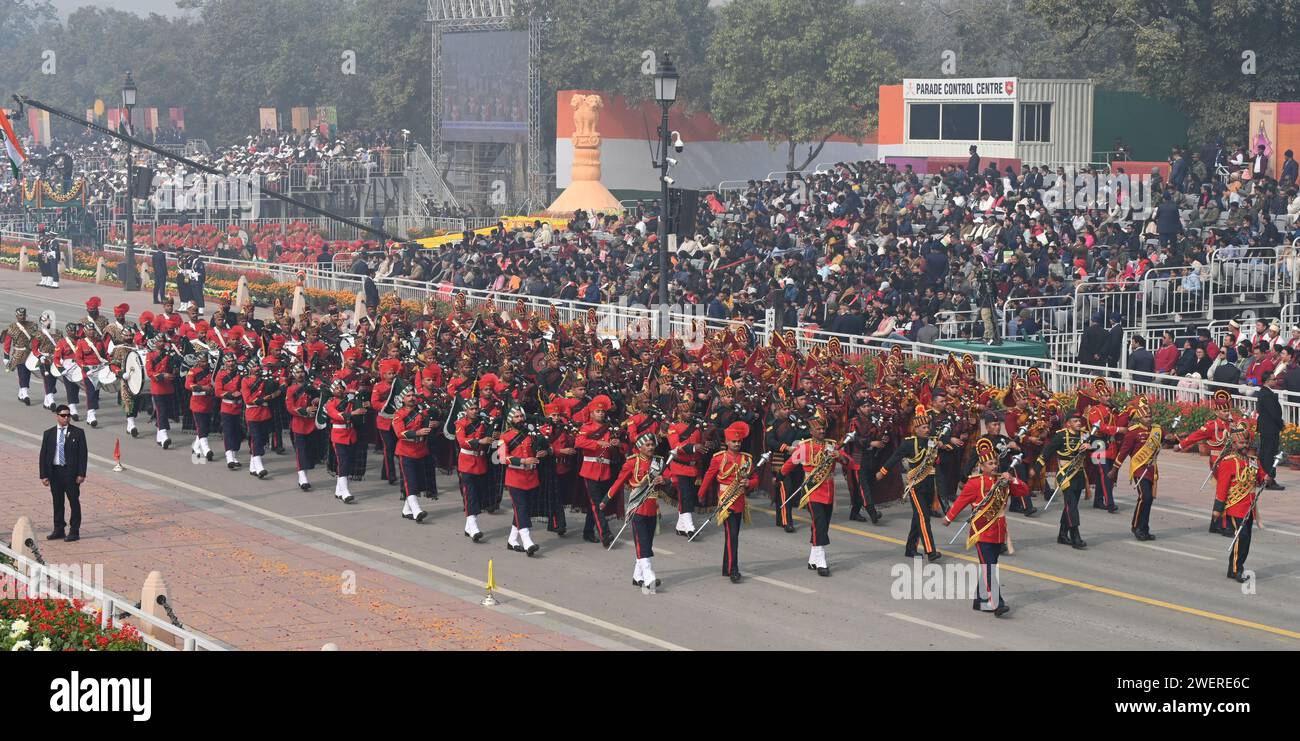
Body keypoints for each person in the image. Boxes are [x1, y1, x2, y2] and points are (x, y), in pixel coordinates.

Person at [943, 439, 1022, 616]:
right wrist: (949, 517)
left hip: (999, 531)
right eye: (990, 463)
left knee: (989, 566)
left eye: (995, 462)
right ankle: (996, 603)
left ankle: (979, 600)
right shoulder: (974, 483)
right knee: (989, 568)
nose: (994, 466)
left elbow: (1022, 491)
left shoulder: (1002, 480)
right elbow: (961, 501)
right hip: (982, 531)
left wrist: (1014, 480)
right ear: (982, 466)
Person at [782, 412, 856, 576]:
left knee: (822, 525)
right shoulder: (805, 447)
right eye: (819, 429)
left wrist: (840, 457)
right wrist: (784, 475)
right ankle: (822, 561)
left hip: (828, 491)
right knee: (819, 522)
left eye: (823, 428)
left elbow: (850, 463)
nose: (822, 431)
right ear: (811, 431)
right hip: (812, 490)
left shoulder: (832, 445)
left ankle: (813, 559)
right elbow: (787, 467)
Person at [877, 406, 942, 562]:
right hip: (916, 486)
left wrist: (943, 446)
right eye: (924, 427)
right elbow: (895, 457)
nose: (927, 430)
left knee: (918, 518)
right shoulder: (908, 443)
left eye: (928, 427)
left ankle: (910, 548)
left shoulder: (933, 442)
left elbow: (938, 460)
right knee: (923, 517)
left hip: (929, 485)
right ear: (916, 429)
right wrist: (883, 471)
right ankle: (930, 550)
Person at [699, 421, 759, 584]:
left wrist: (749, 484)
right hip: (725, 501)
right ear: (727, 442)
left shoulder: (746, 459)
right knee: (732, 536)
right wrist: (701, 493)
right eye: (734, 441)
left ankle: (727, 567)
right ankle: (734, 569)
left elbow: (755, 479)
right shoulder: (719, 458)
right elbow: (709, 476)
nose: (737, 444)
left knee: (732, 535)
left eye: (739, 441)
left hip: (739, 500)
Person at [604, 433, 665, 591]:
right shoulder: (632, 462)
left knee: (647, 542)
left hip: (652, 508)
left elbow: (671, 478)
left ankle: (637, 576)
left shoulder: (658, 461)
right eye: (647, 445)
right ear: (640, 447)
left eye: (652, 444)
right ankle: (649, 576)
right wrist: (606, 500)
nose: (651, 447)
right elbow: (619, 481)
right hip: (637, 507)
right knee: (642, 542)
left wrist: (665, 480)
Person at [1032, 411, 1090, 550]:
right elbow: (1047, 452)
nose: (1078, 423)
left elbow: (1098, 447)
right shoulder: (1061, 436)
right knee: (1072, 505)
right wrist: (1036, 468)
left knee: (1072, 504)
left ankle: (1062, 534)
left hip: (1079, 473)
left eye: (1079, 420)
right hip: (1065, 475)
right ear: (1068, 423)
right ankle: (1075, 536)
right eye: (1075, 421)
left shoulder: (1085, 435)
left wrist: (1090, 446)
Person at [1113, 396, 1164, 541]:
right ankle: (1136, 526)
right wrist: (1115, 469)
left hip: (1151, 469)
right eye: (1146, 416)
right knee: (1144, 496)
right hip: (1139, 469)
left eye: (1150, 416)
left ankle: (1145, 528)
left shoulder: (1157, 430)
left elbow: (1166, 439)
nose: (1149, 418)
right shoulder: (1133, 432)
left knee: (1149, 500)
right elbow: (1123, 451)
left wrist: (1178, 440)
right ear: (1140, 417)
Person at [39, 404, 88, 542]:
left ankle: (74, 530)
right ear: (57, 416)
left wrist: (81, 474)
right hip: (55, 472)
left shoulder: (78, 433)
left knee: (73, 501)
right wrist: (43, 475)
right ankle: (59, 528)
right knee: (57, 502)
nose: (66, 418)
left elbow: (83, 455)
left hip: (70, 473)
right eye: (63, 415)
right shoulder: (49, 433)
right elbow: (43, 455)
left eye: (68, 415)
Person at [1256, 370, 1285, 490]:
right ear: (1267, 381)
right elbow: (1274, 413)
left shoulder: (1265, 393)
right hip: (1270, 429)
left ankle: (1264, 478)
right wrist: (1280, 423)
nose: (1276, 381)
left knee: (1266, 454)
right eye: (1274, 379)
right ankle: (1269, 480)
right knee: (1269, 454)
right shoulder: (1267, 394)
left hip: (1267, 428)